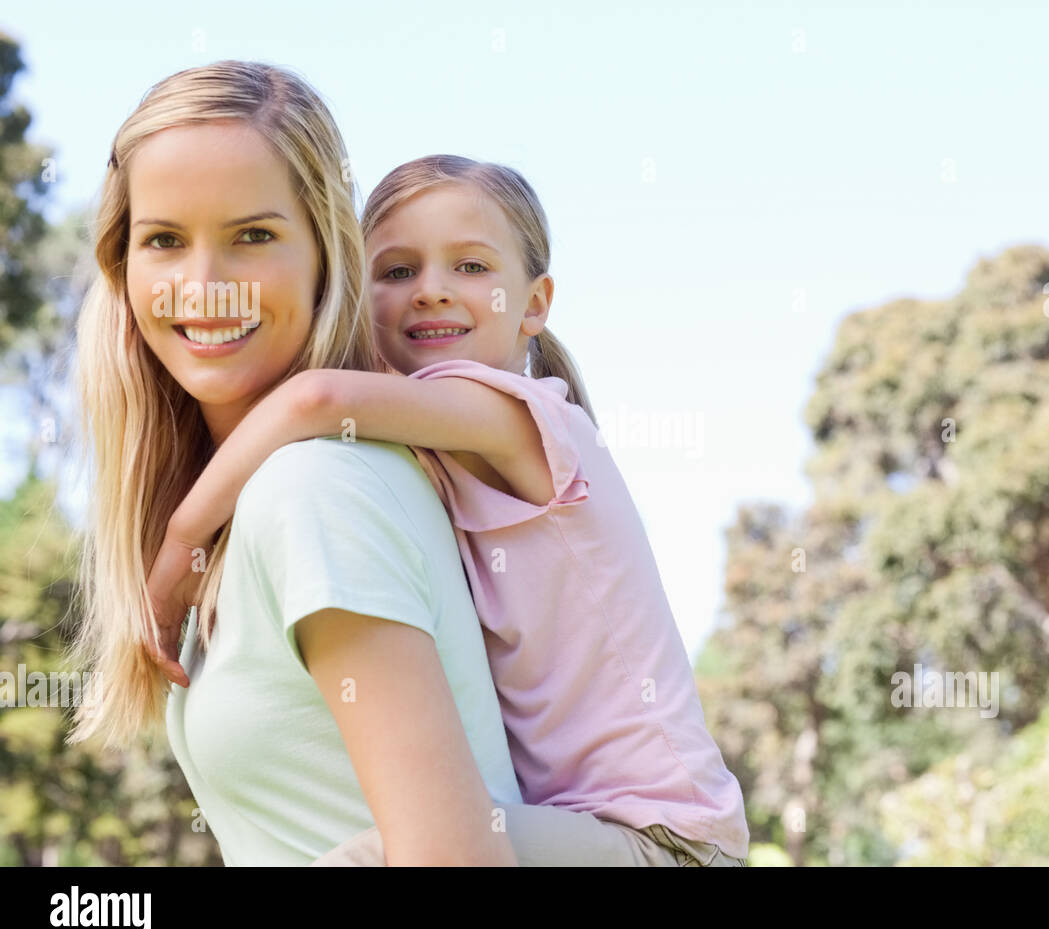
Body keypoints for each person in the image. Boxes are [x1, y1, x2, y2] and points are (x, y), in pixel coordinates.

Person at [144, 155, 750, 866]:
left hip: (664, 842)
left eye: (470, 268)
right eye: (397, 272)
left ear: (533, 303)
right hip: (573, 830)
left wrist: (182, 540)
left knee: (398, 852)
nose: (430, 291)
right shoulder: (418, 459)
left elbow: (315, 401)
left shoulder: (530, 422)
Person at [64, 61, 521, 866]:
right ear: (122, 265)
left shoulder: (314, 489)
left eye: (254, 236)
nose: (205, 286)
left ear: (325, 256)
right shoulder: (264, 501)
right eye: (164, 240)